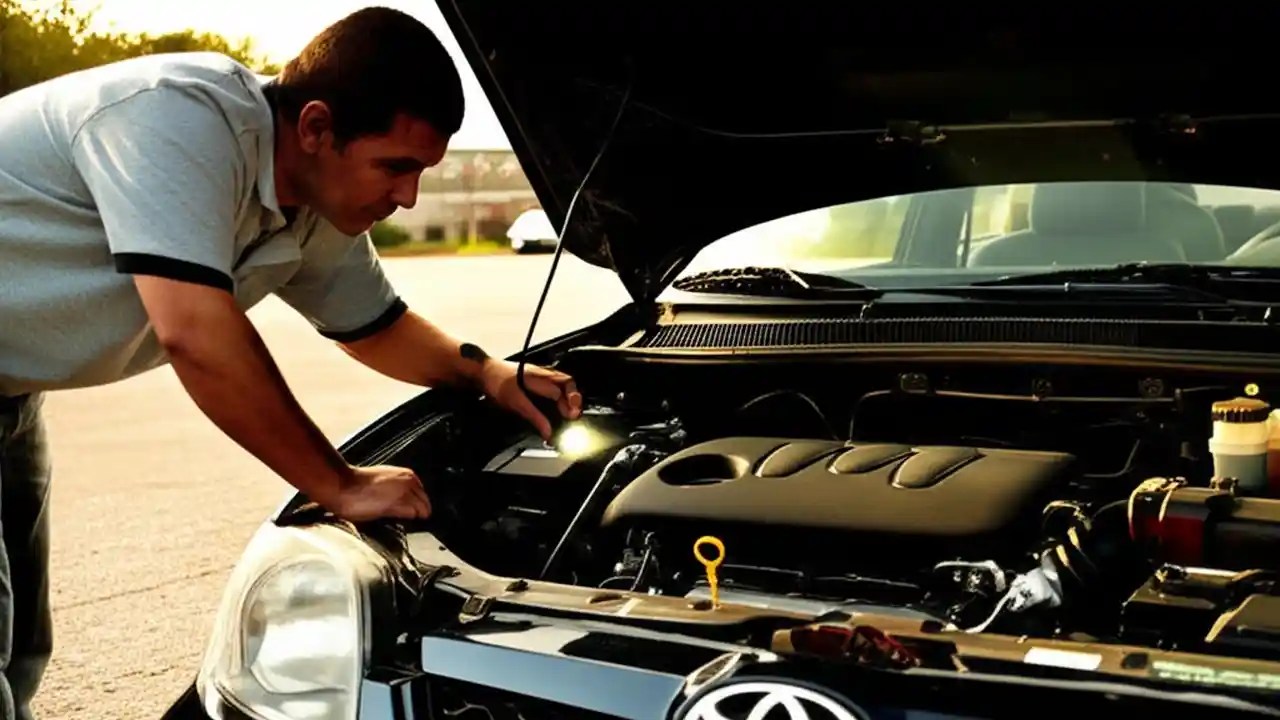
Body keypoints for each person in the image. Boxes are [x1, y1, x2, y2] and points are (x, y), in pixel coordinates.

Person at [0, 7, 581, 719]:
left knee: (20, 645)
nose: (408, 196)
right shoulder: (176, 119)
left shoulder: (309, 201)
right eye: (395, 167)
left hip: (10, 389)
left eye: (421, 172)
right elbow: (196, 334)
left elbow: (378, 326)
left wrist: (487, 372)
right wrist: (340, 484)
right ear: (314, 127)